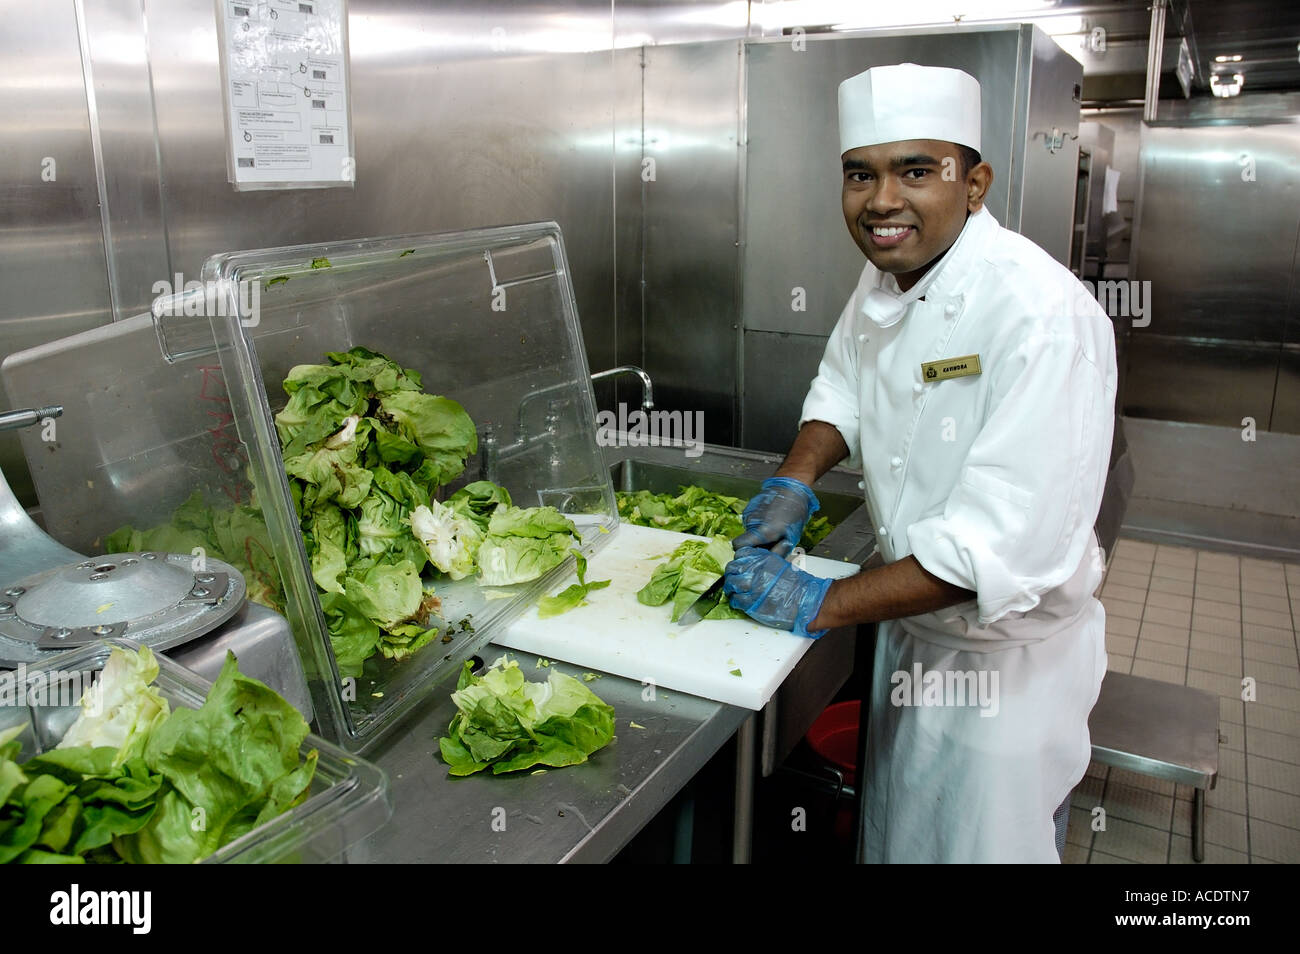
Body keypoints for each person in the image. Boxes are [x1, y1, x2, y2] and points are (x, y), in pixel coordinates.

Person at [722, 63, 1117, 863]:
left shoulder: (1040, 315)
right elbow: (843, 385)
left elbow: (994, 551)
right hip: (913, 639)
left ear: (974, 184)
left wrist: (815, 602)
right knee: (895, 839)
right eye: (860, 174)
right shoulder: (890, 274)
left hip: (1003, 679)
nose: (881, 201)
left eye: (914, 170)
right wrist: (795, 478)